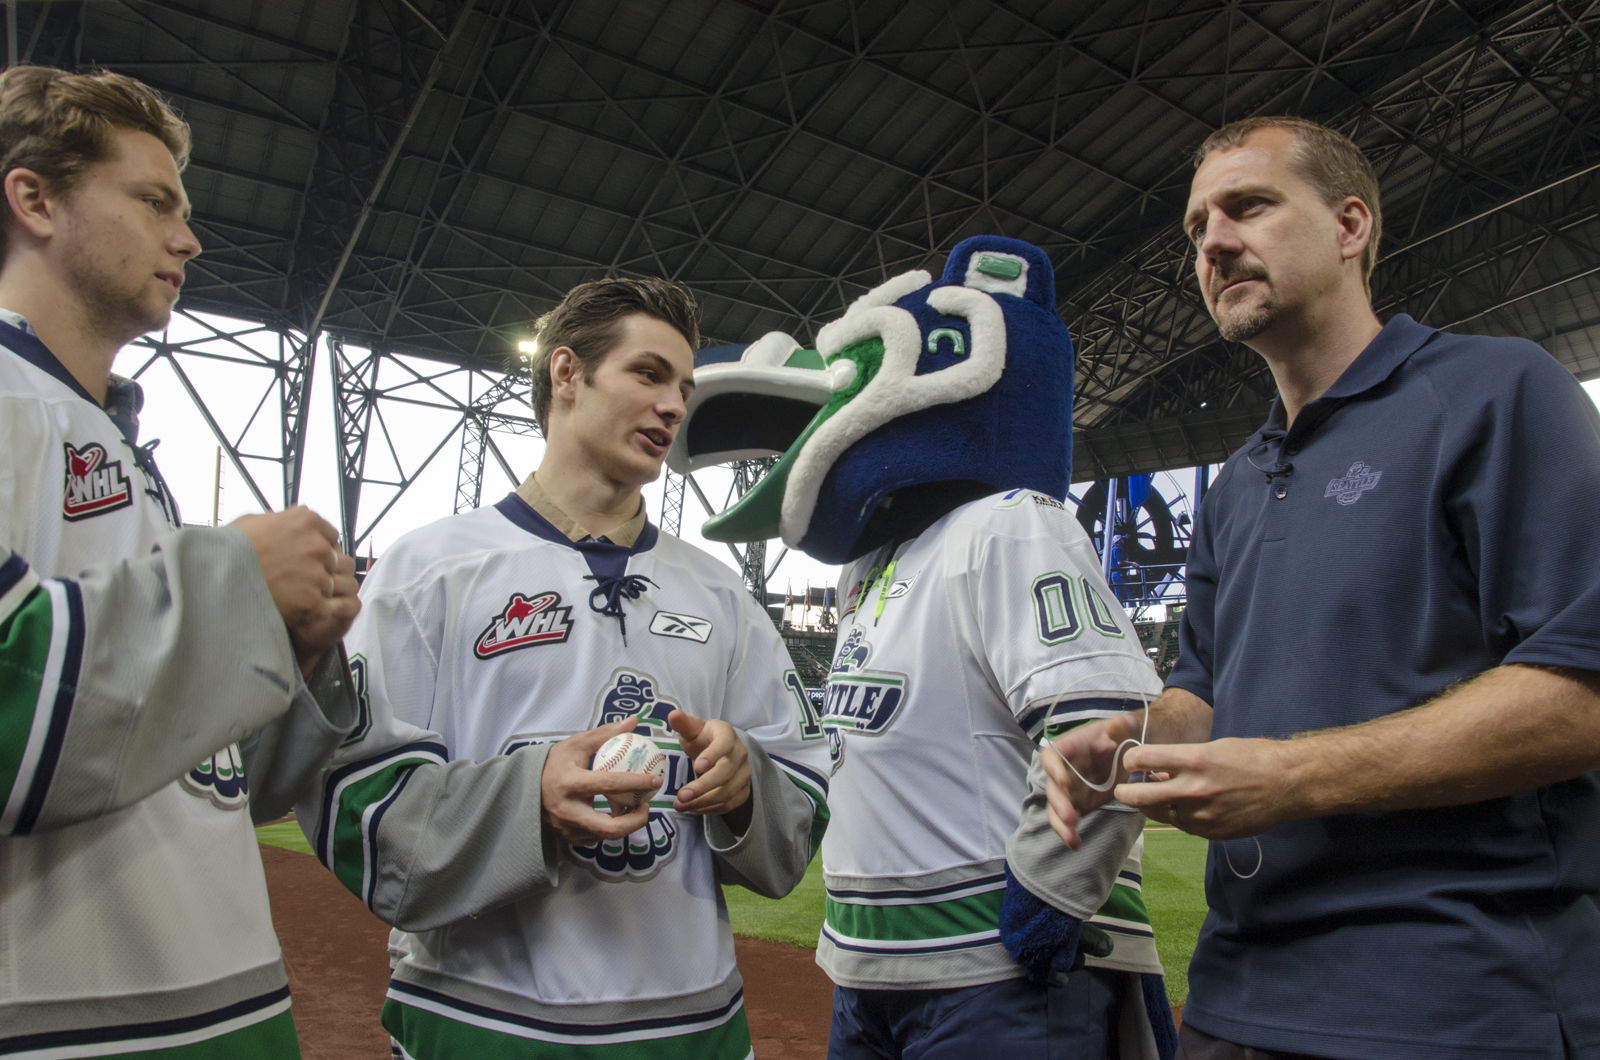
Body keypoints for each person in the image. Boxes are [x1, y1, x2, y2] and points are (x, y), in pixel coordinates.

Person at [1043, 115, 1600, 1060]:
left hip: (1454, 1002)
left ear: (1350, 227)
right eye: (1196, 228)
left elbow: (1581, 696)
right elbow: (1205, 692)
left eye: (1248, 206)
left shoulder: (1499, 391)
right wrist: (1133, 735)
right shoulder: (1236, 483)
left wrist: (1293, 776)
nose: (1213, 241)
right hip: (1234, 998)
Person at [296, 277, 832, 1060]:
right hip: (481, 1029)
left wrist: (746, 782)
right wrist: (531, 795)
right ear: (567, 375)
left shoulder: (723, 593)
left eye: (683, 388)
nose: (675, 407)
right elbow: (349, 795)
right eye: (648, 375)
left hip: (691, 1032)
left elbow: (805, 787)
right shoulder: (429, 569)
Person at [674, 235, 1179, 1059]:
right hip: (869, 970)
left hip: (996, 975)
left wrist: (1046, 897)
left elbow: (1101, 719)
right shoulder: (870, 566)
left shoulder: (1012, 521)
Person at [0, 66, 362, 1058]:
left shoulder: (116, 444)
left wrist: (289, 646)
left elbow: (206, 779)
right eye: (153, 200)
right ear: (32, 198)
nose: (188, 237)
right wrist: (235, 580)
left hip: (214, 1011)